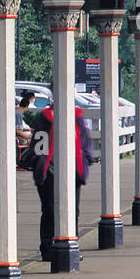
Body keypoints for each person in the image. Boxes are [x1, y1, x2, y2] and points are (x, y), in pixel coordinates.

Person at [26, 101, 98, 263]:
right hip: (49, 169)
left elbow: (84, 141)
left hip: (73, 169)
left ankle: (71, 244)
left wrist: (86, 160)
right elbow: (39, 145)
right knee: (50, 210)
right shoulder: (44, 118)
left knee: (73, 211)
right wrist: (40, 164)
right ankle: (47, 248)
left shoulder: (77, 116)